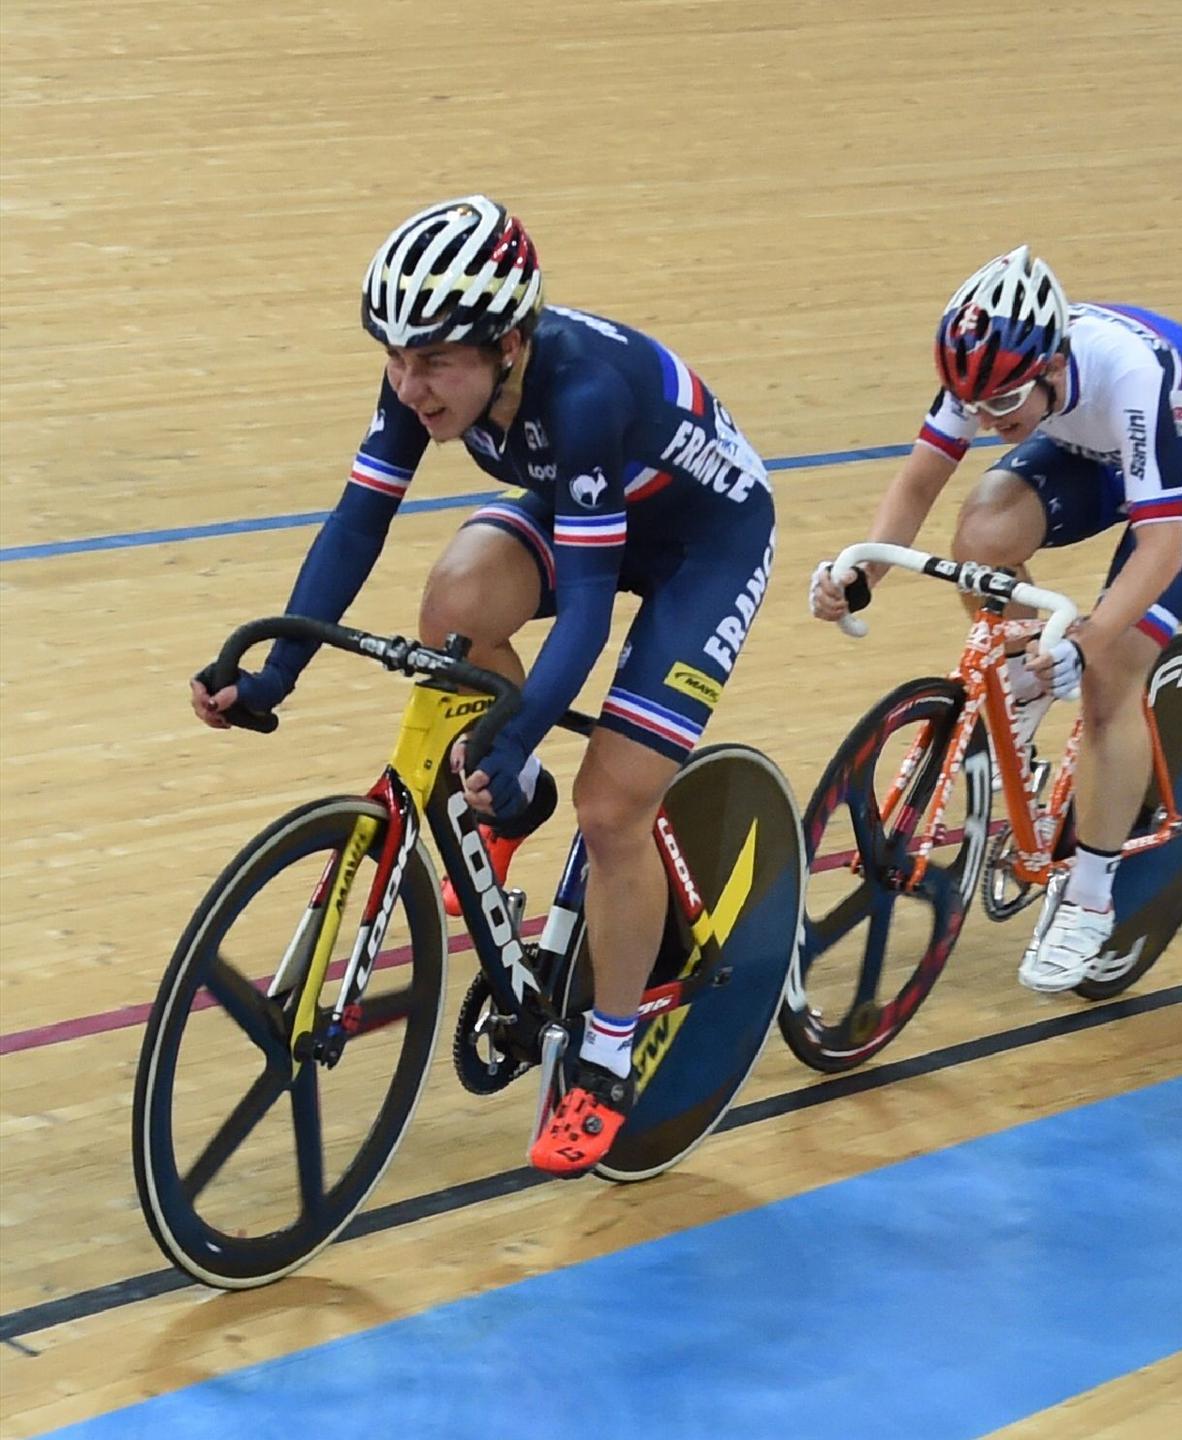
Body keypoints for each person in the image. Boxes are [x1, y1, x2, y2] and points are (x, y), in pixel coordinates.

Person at [187, 195, 778, 1175]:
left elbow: (587, 609)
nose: (410, 387)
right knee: (457, 598)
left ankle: (606, 1055)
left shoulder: (584, 394)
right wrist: (275, 674)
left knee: (613, 809)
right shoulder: (424, 378)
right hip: (594, 504)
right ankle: (517, 800)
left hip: (704, 547)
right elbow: (357, 523)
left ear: (508, 344)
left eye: (434, 363)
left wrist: (515, 733)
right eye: (394, 357)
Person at [810, 247, 1182, 995]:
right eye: (974, 409)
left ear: (1050, 368)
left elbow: (1161, 546)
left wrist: (1090, 641)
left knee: (1111, 672)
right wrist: (863, 574)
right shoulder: (988, 371)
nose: (984, 423)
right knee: (982, 537)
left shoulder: (1129, 376)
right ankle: (1030, 677)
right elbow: (919, 484)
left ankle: (1088, 896)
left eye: (1001, 409)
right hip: (1089, 447)